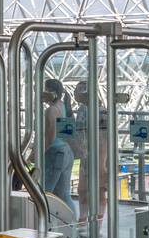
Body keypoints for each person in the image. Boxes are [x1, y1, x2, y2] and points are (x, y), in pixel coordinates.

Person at [73, 80, 109, 228]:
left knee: (99, 190)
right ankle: (83, 221)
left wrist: (102, 161)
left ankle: (97, 225)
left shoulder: (101, 112)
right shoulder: (82, 110)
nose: (76, 93)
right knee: (82, 189)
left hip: (99, 155)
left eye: (79, 90)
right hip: (86, 155)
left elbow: (106, 137)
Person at [41, 78, 75, 210]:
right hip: (66, 152)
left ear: (50, 92)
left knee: (45, 192)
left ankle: (44, 221)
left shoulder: (51, 110)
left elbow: (50, 136)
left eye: (43, 90)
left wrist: (38, 153)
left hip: (54, 154)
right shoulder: (63, 106)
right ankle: (72, 223)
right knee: (64, 195)